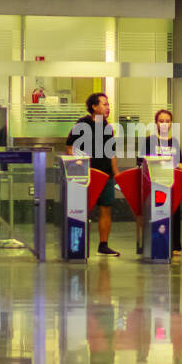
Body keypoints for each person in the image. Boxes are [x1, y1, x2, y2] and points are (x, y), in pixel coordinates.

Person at [65, 93, 120, 257]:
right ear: (94, 107)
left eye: (108, 104)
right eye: (104, 104)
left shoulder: (107, 126)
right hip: (87, 175)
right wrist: (78, 165)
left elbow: (111, 152)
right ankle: (78, 243)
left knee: (106, 209)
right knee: (82, 209)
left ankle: (103, 245)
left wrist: (116, 173)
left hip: (106, 175)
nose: (107, 107)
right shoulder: (83, 123)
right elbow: (69, 146)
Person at [141, 108, 182, 255]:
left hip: (171, 184)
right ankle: (152, 243)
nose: (164, 124)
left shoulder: (174, 142)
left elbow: (179, 162)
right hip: (153, 184)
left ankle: (175, 246)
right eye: (161, 121)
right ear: (156, 123)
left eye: (167, 121)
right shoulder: (148, 141)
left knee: (174, 212)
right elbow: (140, 162)